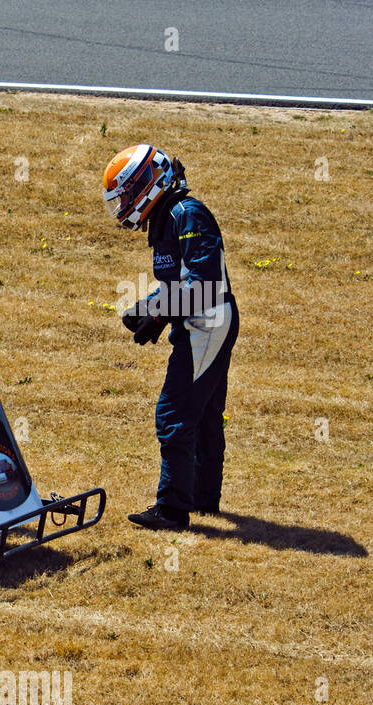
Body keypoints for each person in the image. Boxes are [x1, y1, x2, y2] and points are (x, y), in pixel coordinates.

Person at [103, 144, 239, 530]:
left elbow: (206, 283)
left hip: (208, 322)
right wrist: (147, 308)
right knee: (205, 414)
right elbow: (182, 284)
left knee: (174, 415)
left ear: (149, 182)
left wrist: (159, 311)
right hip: (202, 320)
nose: (124, 204)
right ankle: (202, 498)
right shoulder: (168, 217)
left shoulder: (187, 213)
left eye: (128, 194)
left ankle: (173, 509)